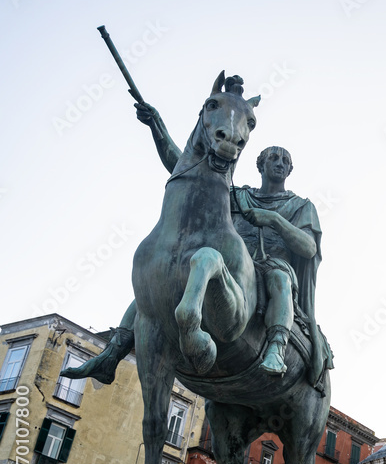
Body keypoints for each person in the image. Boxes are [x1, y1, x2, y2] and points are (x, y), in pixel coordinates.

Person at [65, 92, 331, 388]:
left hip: (270, 264)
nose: (279, 163)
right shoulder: (238, 195)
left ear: (290, 169)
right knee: (162, 279)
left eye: (285, 160)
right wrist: (156, 126)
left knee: (280, 279)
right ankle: (115, 349)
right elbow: (183, 164)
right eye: (273, 157)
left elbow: (308, 247)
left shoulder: (300, 206)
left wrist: (274, 219)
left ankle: (276, 348)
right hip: (232, 261)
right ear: (260, 164)